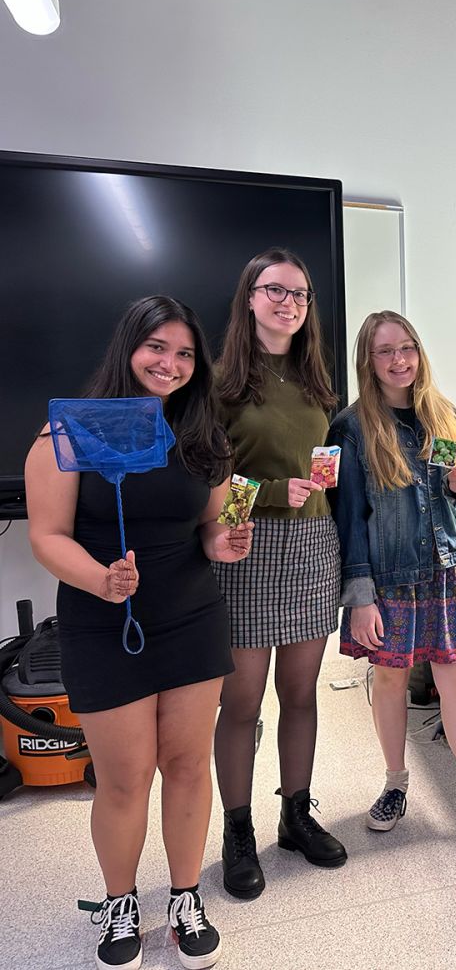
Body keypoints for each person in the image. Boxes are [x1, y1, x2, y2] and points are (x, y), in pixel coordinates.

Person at [25, 296, 251, 970]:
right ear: (129, 348)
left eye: (185, 353)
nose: (172, 364)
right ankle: (120, 899)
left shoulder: (206, 434)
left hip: (191, 619)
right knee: (124, 779)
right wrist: (101, 579)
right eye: (158, 347)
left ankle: (185, 896)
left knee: (186, 766)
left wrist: (226, 540)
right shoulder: (61, 435)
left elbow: (212, 526)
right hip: (104, 622)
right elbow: (46, 535)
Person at [328, 310, 456, 849]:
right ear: (367, 363)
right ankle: (396, 782)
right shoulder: (351, 428)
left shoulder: (443, 414)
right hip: (388, 578)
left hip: (445, 570)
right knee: (390, 681)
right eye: (385, 351)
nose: (399, 361)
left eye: (407, 348)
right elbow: (349, 522)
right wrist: (360, 598)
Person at [211, 248, 345, 900]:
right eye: (275, 290)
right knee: (240, 703)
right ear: (249, 297)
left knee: (301, 694)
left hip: (316, 549)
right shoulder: (219, 385)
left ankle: (295, 815)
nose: (289, 303)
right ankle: (238, 833)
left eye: (300, 294)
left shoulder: (319, 382)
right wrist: (266, 493)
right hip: (247, 550)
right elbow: (208, 489)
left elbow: (325, 467)